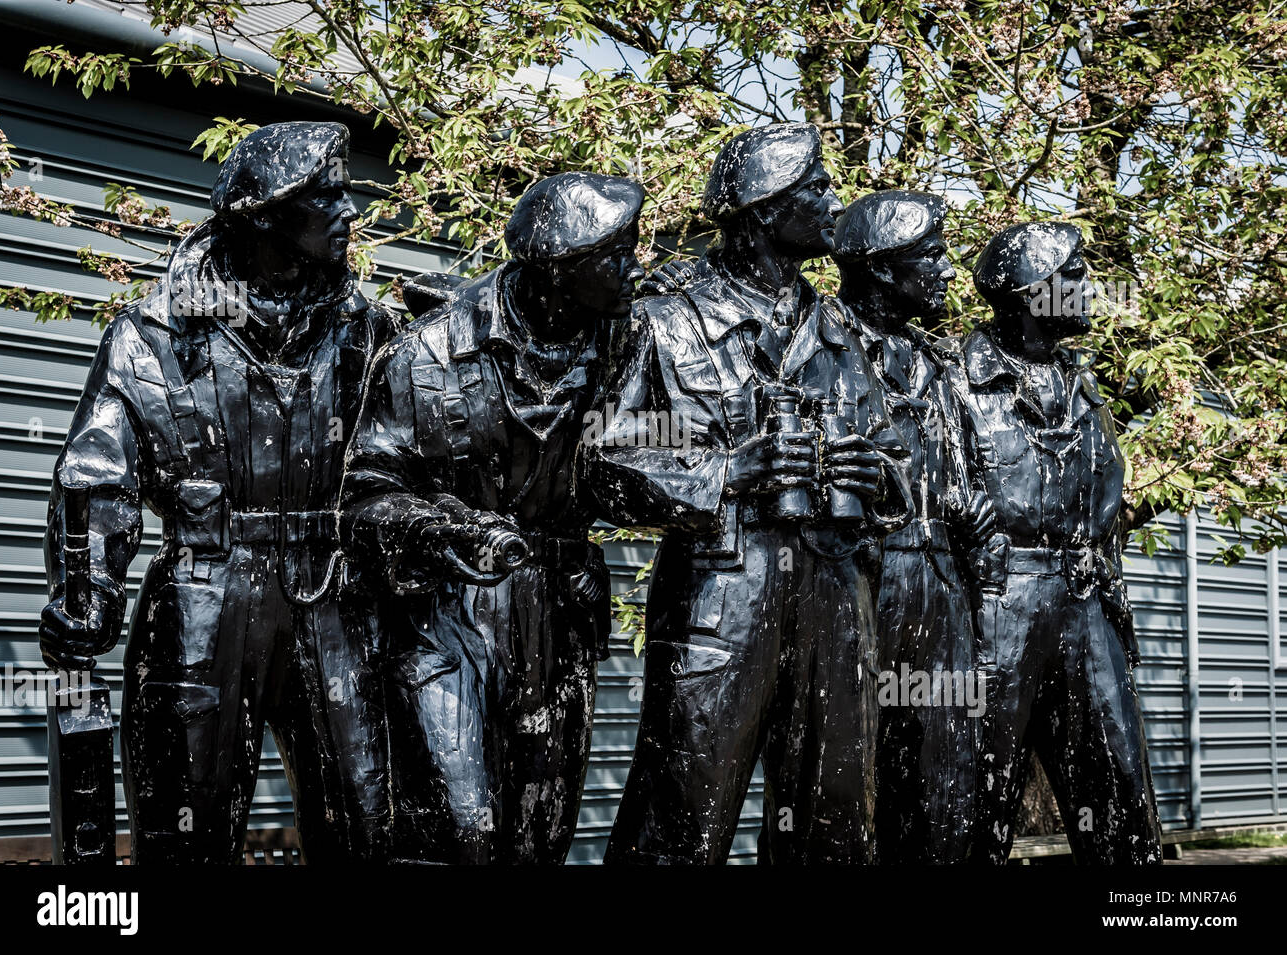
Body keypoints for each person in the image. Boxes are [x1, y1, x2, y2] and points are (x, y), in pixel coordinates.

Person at [39, 122, 400, 863]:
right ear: (264, 214)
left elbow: (412, 467)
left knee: (369, 827)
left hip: (335, 596)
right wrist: (90, 584)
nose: (349, 212)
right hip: (201, 598)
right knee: (185, 835)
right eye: (326, 195)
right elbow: (98, 472)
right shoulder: (153, 333)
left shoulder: (372, 333)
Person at [592, 123, 909, 864]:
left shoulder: (838, 330)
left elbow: (896, 463)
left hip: (836, 599)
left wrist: (878, 477)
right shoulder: (668, 322)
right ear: (766, 209)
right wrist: (730, 470)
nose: (834, 200)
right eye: (817, 187)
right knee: (680, 816)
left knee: (836, 826)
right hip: (719, 598)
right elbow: (605, 459)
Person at [341, 172, 645, 863]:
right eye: (617, 254)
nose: (635, 267)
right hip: (446, 613)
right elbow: (363, 495)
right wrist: (433, 529)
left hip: (558, 612)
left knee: (541, 835)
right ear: (562, 271)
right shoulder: (429, 354)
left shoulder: (626, 348)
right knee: (460, 831)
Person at [944, 221, 1162, 864]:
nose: (1089, 288)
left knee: (1119, 781)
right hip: (995, 605)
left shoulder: (1086, 388)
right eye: (1074, 276)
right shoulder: (954, 382)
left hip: (1087, 600)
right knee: (977, 797)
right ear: (1033, 291)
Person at [832, 190, 993, 863]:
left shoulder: (939, 362)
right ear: (881, 269)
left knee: (944, 776)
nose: (951, 270)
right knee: (843, 780)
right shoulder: (824, 342)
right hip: (861, 577)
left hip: (941, 579)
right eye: (932, 256)